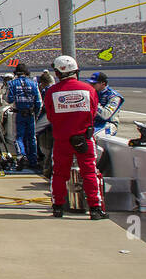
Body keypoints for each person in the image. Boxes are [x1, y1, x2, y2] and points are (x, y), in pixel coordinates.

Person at [43, 56, 106, 220]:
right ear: (76, 71)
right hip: (84, 138)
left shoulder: (52, 91)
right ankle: (95, 209)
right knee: (90, 173)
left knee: (58, 174)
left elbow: (50, 116)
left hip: (62, 139)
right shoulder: (88, 90)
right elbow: (92, 114)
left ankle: (57, 207)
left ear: (57, 73)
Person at [5, 64, 42, 170]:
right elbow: (39, 102)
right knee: (32, 138)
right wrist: (35, 114)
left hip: (18, 114)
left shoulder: (12, 83)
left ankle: (22, 157)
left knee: (18, 137)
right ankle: (33, 160)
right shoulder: (34, 84)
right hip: (30, 114)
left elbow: (9, 99)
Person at [35, 70, 56, 183]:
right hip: (56, 124)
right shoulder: (54, 88)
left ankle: (47, 170)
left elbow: (43, 106)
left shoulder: (48, 90)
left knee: (49, 151)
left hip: (50, 120)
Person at [88, 72, 124, 137]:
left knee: (92, 137)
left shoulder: (114, 97)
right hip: (93, 123)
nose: (91, 85)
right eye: (90, 83)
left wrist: (93, 102)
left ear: (103, 83)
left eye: (94, 83)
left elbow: (106, 115)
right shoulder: (92, 93)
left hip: (108, 124)